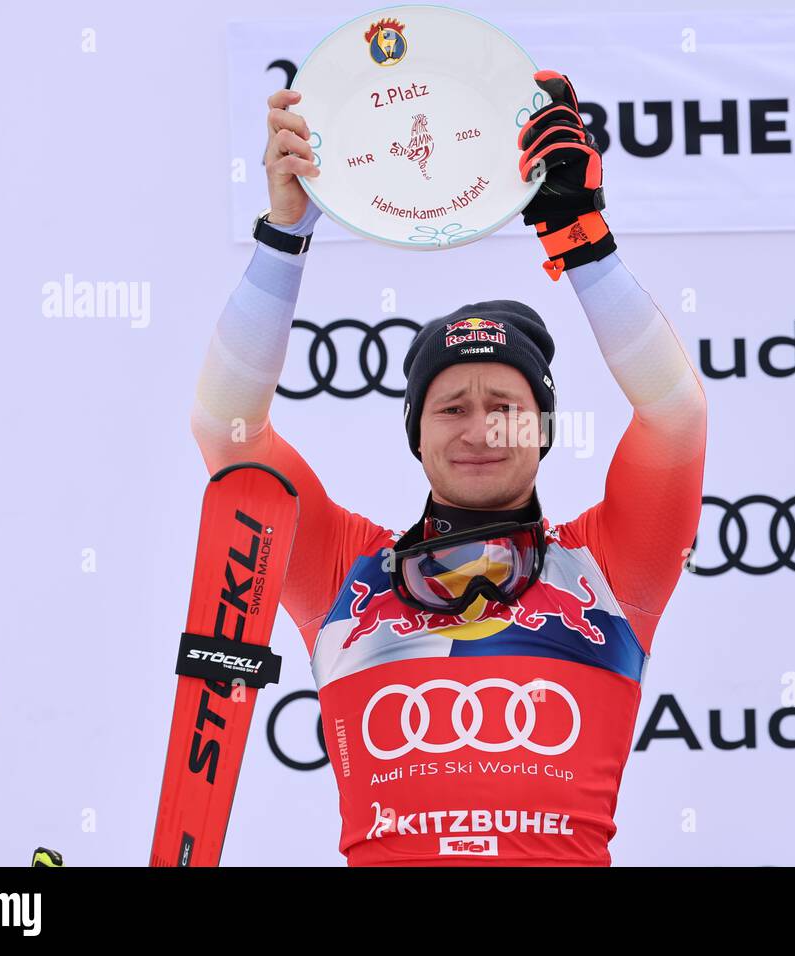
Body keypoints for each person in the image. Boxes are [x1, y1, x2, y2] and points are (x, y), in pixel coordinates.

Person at [191, 71, 707, 865]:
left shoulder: (607, 568)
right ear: (415, 433)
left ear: (544, 428)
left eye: (504, 403)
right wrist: (284, 236)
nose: (480, 429)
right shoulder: (343, 574)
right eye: (451, 407)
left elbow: (675, 412)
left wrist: (583, 245)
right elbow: (228, 433)